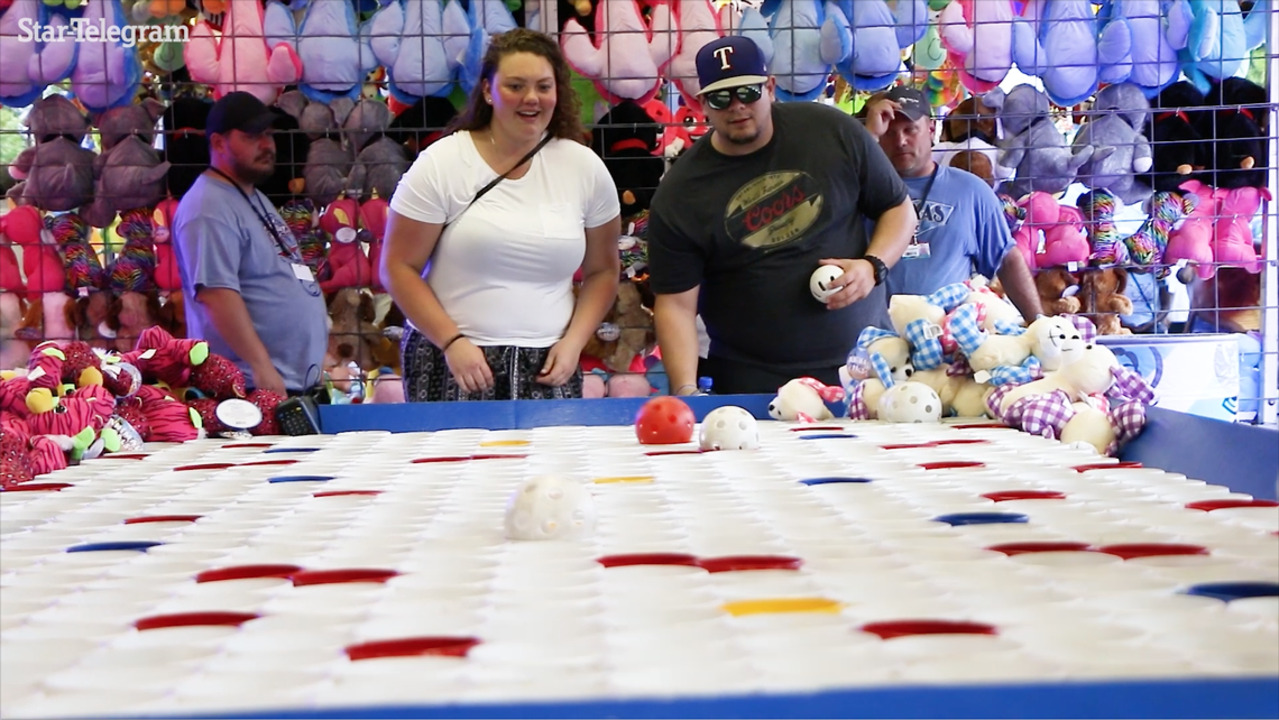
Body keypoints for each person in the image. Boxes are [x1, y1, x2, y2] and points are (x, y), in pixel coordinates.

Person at [646, 36, 917, 396]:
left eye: (748, 92)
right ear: (702, 105)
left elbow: (898, 208)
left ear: (770, 87)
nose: (737, 106)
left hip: (866, 364)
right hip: (753, 380)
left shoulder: (832, 131)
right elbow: (676, 305)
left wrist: (872, 266)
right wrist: (685, 390)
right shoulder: (680, 193)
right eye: (721, 97)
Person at [381, 28, 621, 402]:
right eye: (515, 85)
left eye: (544, 86)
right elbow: (397, 267)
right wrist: (452, 341)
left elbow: (604, 271)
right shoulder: (441, 163)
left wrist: (575, 343)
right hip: (455, 363)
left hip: (550, 367)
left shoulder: (584, 168)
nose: (531, 98)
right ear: (489, 91)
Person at [171, 91, 328, 397]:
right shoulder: (208, 207)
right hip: (250, 389)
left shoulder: (248, 193)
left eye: (269, 135)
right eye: (253, 136)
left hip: (279, 386)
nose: (267, 145)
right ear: (218, 143)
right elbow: (217, 295)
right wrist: (261, 367)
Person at [861, 86, 1043, 320]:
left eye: (910, 130)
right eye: (889, 132)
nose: (901, 141)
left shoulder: (971, 191)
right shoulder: (860, 190)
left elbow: (1007, 259)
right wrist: (868, 137)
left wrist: (1040, 325)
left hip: (950, 338)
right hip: (878, 338)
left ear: (932, 129)